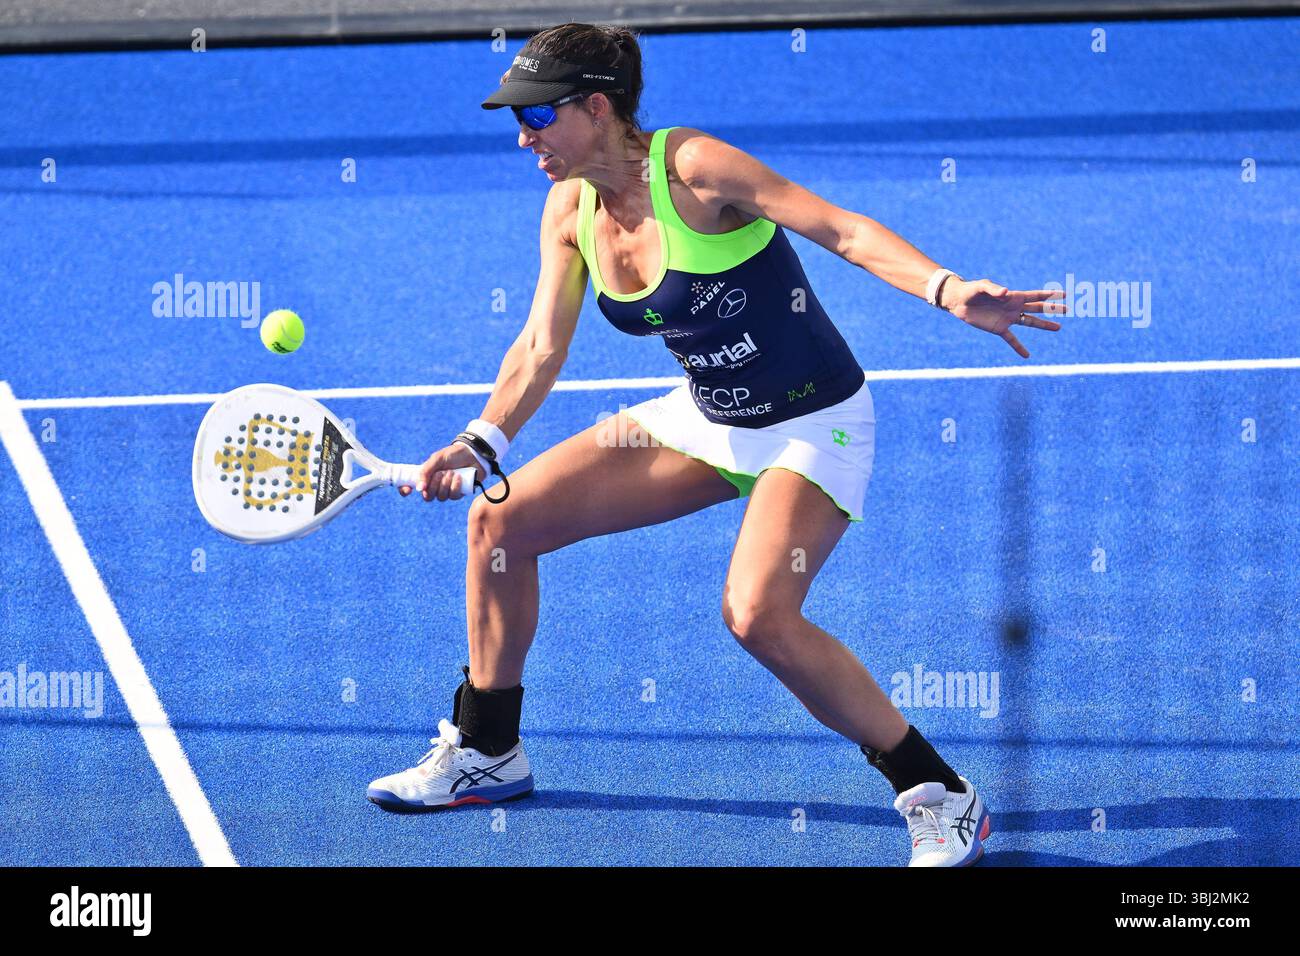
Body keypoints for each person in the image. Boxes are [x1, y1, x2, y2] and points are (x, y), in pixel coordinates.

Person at [366, 22, 1064, 867]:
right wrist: (481, 440)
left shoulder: (695, 169)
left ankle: (939, 794)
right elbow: (540, 347)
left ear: (596, 107)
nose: (524, 137)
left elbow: (838, 228)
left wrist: (946, 288)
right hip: (705, 419)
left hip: (813, 422)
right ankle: (488, 751)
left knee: (757, 613)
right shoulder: (567, 209)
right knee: (499, 525)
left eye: (539, 117)